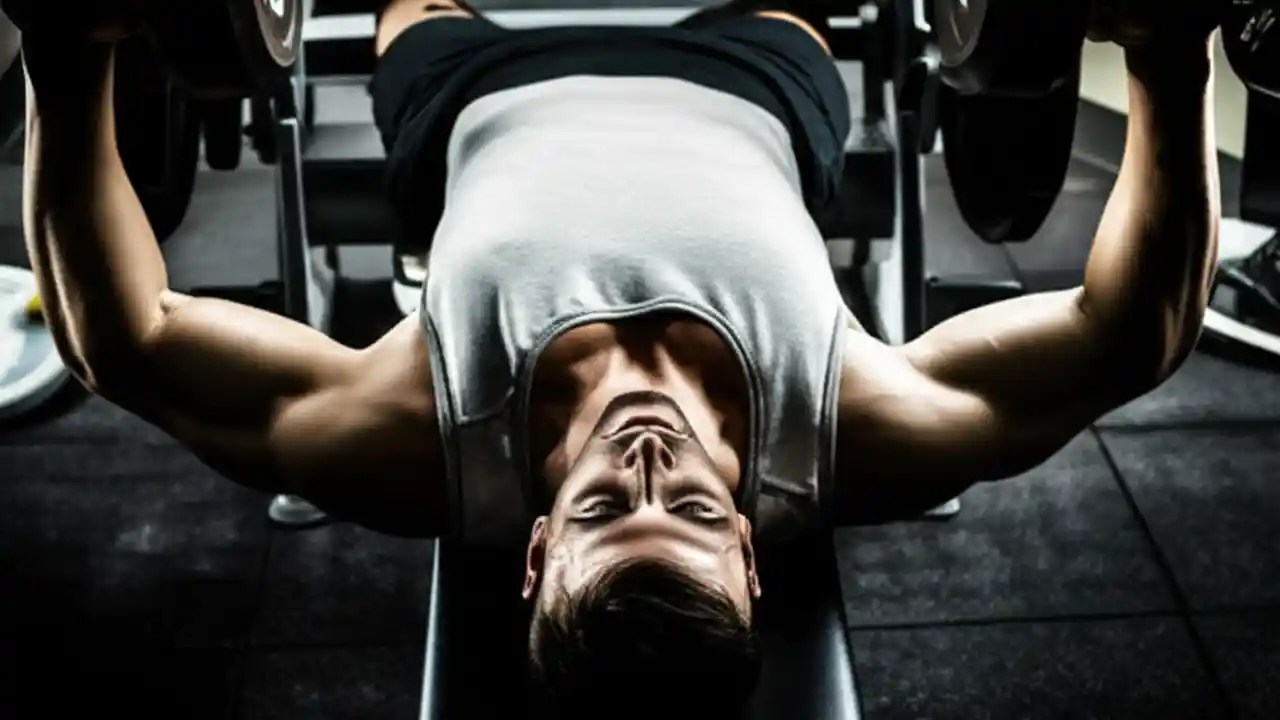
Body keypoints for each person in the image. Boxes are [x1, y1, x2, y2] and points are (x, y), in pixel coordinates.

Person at [19, 0, 1221, 715]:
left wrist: (67, 65)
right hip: (749, 64)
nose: (647, 459)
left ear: (537, 548)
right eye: (693, 504)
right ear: (750, 552)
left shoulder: (420, 444)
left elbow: (124, 338)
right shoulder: (849, 434)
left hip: (473, 79)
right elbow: (1127, 337)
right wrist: (1169, 61)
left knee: (410, 10)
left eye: (603, 502)